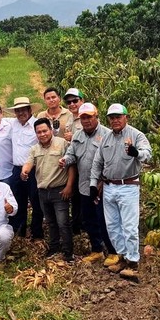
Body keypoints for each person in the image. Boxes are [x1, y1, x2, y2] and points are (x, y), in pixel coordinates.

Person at [89, 103, 152, 280]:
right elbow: (97, 162)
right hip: (109, 187)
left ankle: (133, 263)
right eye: (112, 117)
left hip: (128, 186)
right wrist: (94, 185)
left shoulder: (136, 134)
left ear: (126, 117)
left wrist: (136, 153)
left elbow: (148, 153)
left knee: (129, 226)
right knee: (113, 226)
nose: (115, 120)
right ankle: (122, 258)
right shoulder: (106, 139)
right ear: (108, 119)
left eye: (118, 116)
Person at [62, 103, 116, 262]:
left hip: (102, 187)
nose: (86, 120)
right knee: (89, 219)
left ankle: (113, 252)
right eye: (83, 117)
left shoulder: (107, 135)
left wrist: (102, 181)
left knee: (104, 219)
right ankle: (97, 250)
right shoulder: (77, 135)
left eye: (89, 117)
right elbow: (71, 154)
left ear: (96, 117)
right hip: (84, 186)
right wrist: (64, 160)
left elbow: (111, 161)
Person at [22, 118, 74, 261]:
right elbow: (28, 163)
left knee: (63, 222)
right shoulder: (34, 149)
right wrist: (24, 171)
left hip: (60, 190)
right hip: (43, 192)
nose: (42, 134)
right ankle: (54, 248)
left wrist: (69, 186)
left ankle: (68, 253)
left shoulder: (62, 144)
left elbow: (71, 166)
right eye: (39, 132)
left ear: (51, 130)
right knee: (51, 222)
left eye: (45, 131)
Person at [7, 97, 42, 239]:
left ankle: (37, 232)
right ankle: (20, 230)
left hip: (33, 169)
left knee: (36, 201)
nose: (21, 113)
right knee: (18, 200)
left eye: (23, 110)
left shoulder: (36, 125)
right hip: (16, 169)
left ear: (29, 110)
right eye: (18, 111)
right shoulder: (12, 125)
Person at [61, 88, 86, 232]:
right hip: (73, 163)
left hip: (84, 163)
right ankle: (77, 224)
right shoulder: (70, 117)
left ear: (82, 101)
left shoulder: (86, 116)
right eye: (69, 102)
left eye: (75, 101)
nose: (72, 104)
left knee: (85, 194)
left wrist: (74, 137)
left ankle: (84, 225)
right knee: (75, 194)